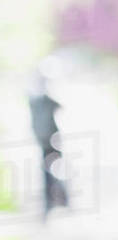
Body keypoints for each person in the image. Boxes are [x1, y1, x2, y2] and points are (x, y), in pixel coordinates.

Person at [28, 70, 68, 219]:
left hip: (50, 140)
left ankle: (57, 200)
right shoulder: (38, 100)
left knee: (53, 170)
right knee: (51, 171)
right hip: (46, 140)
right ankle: (54, 201)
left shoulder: (39, 99)